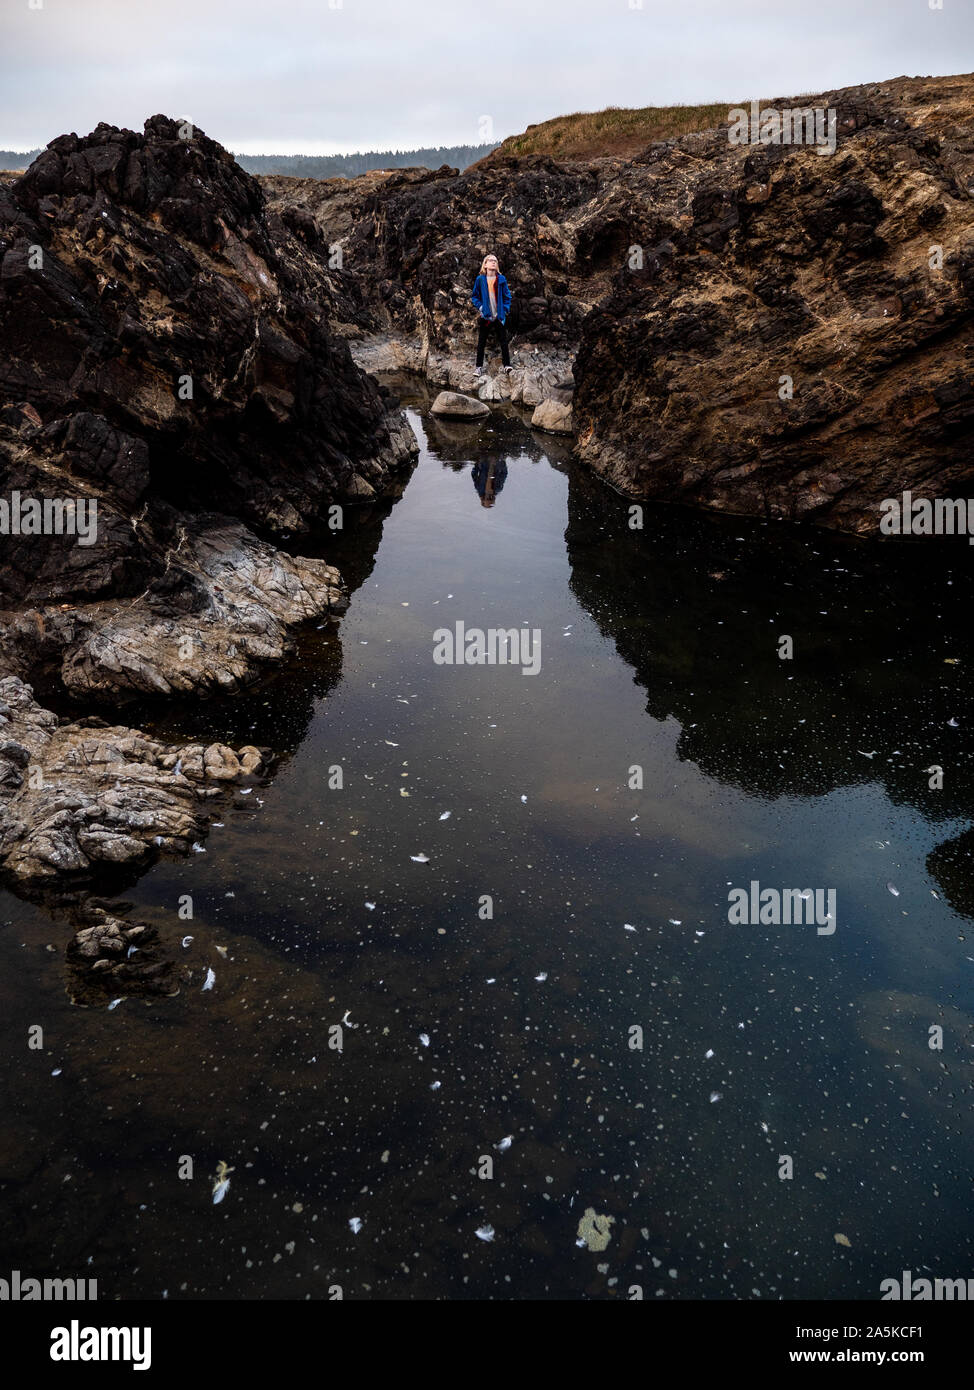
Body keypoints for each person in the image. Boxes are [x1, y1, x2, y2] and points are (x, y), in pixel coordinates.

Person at [471, 253, 512, 375]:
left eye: (495, 260)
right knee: (481, 342)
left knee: (504, 342)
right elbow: (474, 296)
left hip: (499, 316)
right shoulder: (480, 279)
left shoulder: (501, 279)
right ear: (485, 264)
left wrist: (504, 310)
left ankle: (507, 365)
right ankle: (478, 368)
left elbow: (507, 297)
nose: (493, 262)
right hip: (486, 316)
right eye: (491, 260)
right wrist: (481, 307)